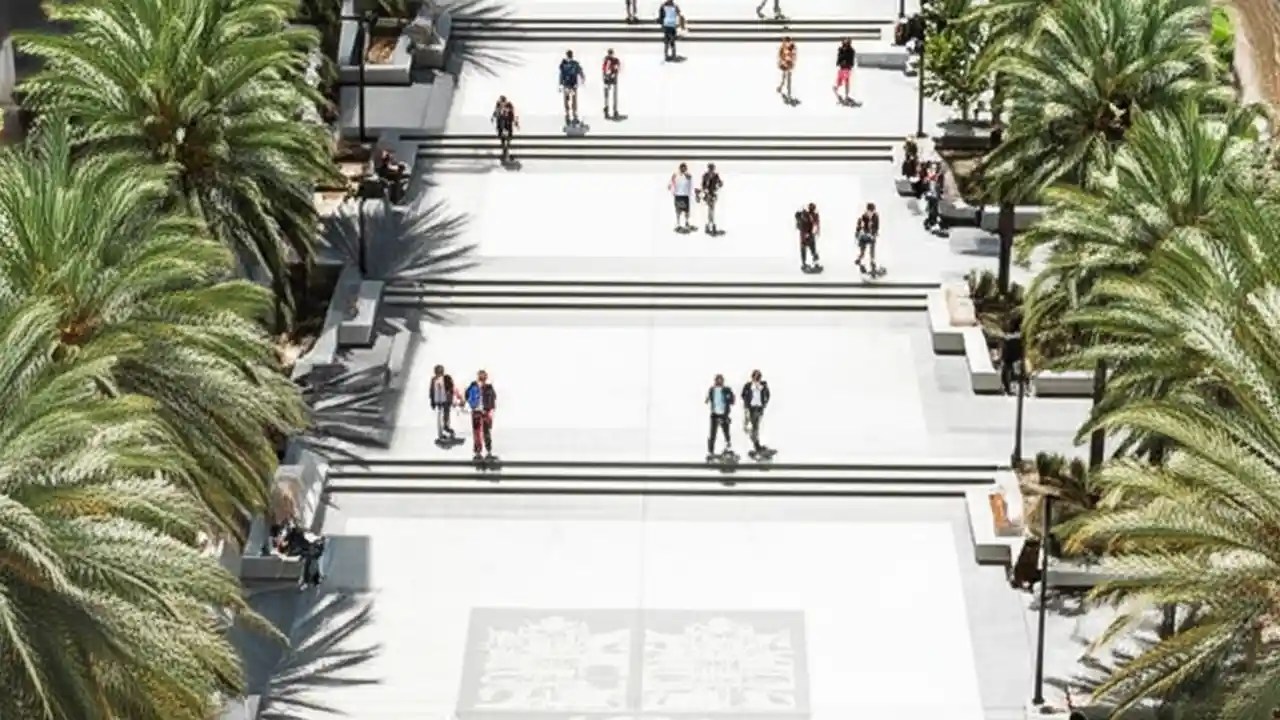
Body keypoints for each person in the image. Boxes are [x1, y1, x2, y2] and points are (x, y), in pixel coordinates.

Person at [465, 369, 497, 461]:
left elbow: (466, 394)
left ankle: (483, 450)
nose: (482, 377)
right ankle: (483, 450)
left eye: (483, 375)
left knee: (481, 432)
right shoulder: (483, 386)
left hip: (480, 411)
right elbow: (493, 398)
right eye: (482, 375)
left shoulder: (483, 386)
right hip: (480, 411)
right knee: (480, 432)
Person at [740, 370, 771, 457]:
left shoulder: (763, 385)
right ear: (752, 377)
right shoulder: (748, 385)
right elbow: (743, 395)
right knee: (747, 427)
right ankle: (756, 444)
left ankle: (757, 445)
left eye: (759, 376)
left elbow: (768, 394)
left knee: (755, 427)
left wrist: (764, 403)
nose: (757, 378)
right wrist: (746, 403)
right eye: (756, 376)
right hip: (750, 408)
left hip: (759, 408)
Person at [430, 364, 463, 441]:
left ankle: (446, 429)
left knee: (445, 417)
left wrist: (458, 397)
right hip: (438, 402)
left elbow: (453, 388)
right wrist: (432, 401)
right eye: (437, 371)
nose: (438, 373)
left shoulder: (446, 378)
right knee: (440, 418)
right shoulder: (433, 380)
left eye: (440, 371)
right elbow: (431, 391)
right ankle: (441, 434)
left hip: (446, 402)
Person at [705, 374, 735, 459]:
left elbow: (732, 400)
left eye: (720, 380)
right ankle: (711, 451)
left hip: (724, 415)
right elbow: (708, 398)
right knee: (712, 434)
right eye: (717, 380)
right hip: (714, 414)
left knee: (726, 433)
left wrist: (729, 397)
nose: (719, 381)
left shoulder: (726, 389)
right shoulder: (712, 389)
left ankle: (728, 449)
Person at [558, 50, 586, 125]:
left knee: (572, 101)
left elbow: (580, 72)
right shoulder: (566, 64)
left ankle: (572, 116)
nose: (569, 57)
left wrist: (583, 78)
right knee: (568, 100)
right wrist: (560, 84)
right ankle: (569, 115)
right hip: (568, 85)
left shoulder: (573, 64)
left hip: (571, 85)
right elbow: (561, 75)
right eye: (569, 56)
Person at [696, 162, 723, 234]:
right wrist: (704, 190)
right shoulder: (705, 175)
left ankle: (711, 225)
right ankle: (709, 225)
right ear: (708, 168)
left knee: (711, 209)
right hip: (707, 194)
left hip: (713, 194)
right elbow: (702, 185)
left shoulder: (716, 175)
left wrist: (720, 184)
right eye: (710, 168)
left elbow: (720, 183)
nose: (711, 170)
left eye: (712, 168)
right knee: (708, 210)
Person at [491, 96, 519, 162]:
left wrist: (516, 123)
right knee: (502, 139)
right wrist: (495, 115)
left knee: (508, 138)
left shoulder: (509, 105)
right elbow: (495, 113)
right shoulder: (498, 106)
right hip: (501, 126)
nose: (502, 104)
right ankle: (505, 152)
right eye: (501, 102)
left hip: (508, 125)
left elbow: (513, 114)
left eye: (503, 102)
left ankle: (506, 151)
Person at [855, 202, 880, 274]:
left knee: (872, 250)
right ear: (867, 210)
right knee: (862, 252)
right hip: (863, 237)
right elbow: (859, 227)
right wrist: (858, 232)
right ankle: (860, 262)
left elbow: (876, 227)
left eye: (872, 211)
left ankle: (873, 264)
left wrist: (873, 233)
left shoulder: (876, 216)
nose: (871, 212)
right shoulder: (863, 216)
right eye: (870, 211)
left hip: (871, 236)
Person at [669, 162, 695, 232]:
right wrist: (671, 188)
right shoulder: (675, 175)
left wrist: (692, 193)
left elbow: (691, 182)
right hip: (678, 195)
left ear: (686, 168)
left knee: (687, 211)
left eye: (684, 167)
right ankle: (678, 224)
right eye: (682, 167)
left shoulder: (688, 175)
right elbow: (671, 182)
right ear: (680, 168)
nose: (683, 168)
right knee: (678, 211)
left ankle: (686, 222)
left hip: (685, 195)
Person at [796, 202, 820, 271]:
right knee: (804, 249)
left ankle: (815, 262)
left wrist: (814, 232)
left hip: (810, 234)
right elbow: (802, 225)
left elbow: (816, 224)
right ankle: (804, 264)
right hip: (804, 235)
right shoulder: (804, 215)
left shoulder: (813, 215)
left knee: (813, 249)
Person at [834, 38, 855, 103]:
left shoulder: (851, 50)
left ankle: (846, 96)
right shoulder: (841, 50)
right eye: (845, 43)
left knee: (846, 81)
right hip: (842, 68)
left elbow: (851, 60)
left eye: (847, 43)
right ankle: (837, 92)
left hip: (846, 68)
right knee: (839, 82)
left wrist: (847, 62)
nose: (846, 44)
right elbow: (838, 61)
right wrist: (841, 62)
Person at [776, 36, 797, 102]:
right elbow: (780, 55)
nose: (787, 43)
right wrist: (782, 62)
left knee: (788, 77)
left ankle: (788, 91)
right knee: (784, 76)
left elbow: (794, 56)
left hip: (789, 64)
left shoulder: (792, 47)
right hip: (785, 64)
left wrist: (791, 62)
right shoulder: (783, 47)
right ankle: (782, 87)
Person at [602, 49, 621, 119]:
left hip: (610, 80)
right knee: (609, 96)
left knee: (611, 96)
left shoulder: (610, 60)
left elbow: (617, 69)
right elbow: (605, 70)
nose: (610, 55)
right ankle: (610, 111)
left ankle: (612, 110)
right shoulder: (608, 60)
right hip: (610, 80)